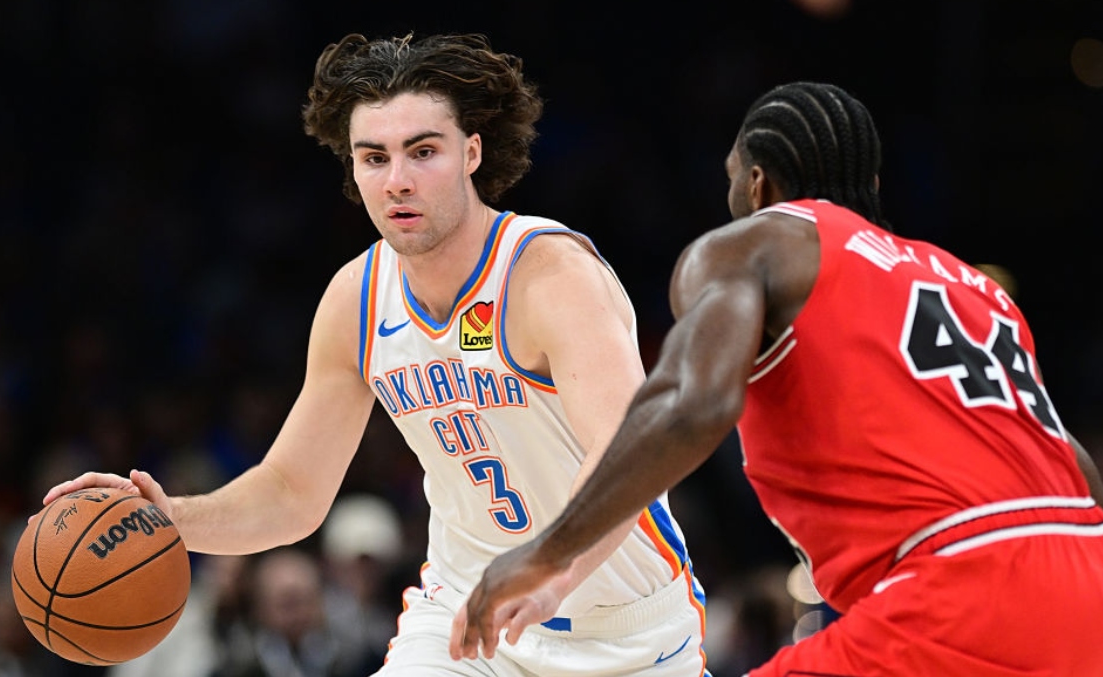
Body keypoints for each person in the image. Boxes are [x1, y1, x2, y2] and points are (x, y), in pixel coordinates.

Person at [38, 31, 710, 676]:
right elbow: (292, 493)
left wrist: (550, 567)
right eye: (374, 158)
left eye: (423, 151)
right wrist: (169, 519)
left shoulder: (549, 274)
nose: (397, 181)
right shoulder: (356, 300)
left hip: (624, 630)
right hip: (464, 614)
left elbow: (633, 452)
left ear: (472, 152)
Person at [451, 81, 1103, 676]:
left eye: (732, 179)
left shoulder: (760, 243)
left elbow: (692, 404)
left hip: (966, 584)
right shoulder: (974, 286)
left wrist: (549, 550)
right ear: (871, 187)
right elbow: (1069, 459)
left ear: (757, 183)